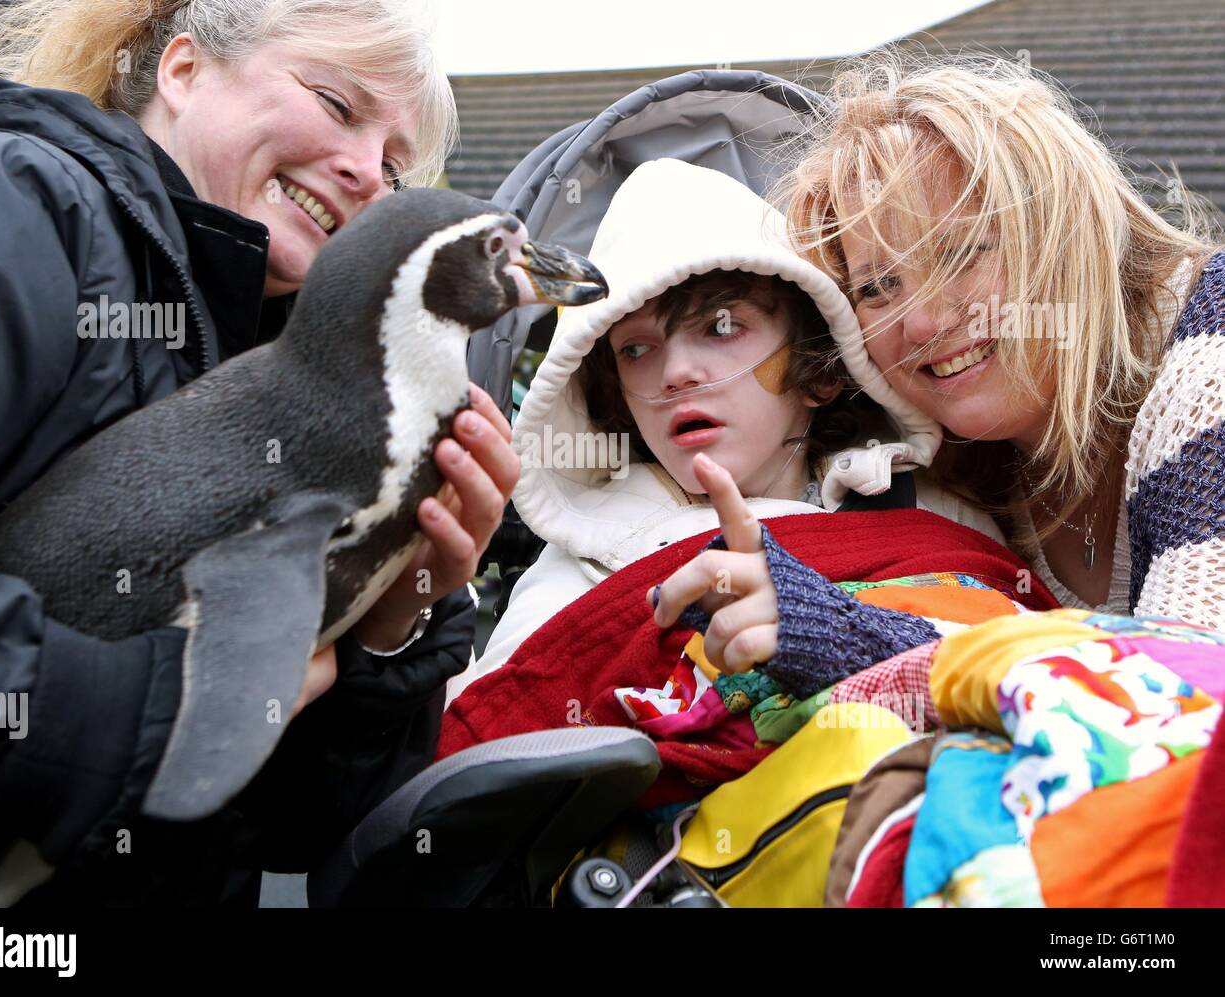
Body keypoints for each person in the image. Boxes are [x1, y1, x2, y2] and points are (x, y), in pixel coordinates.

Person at [0, 0, 518, 906]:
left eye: (396, 167)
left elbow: (299, 830)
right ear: (183, 69)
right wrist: (142, 707)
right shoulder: (1, 207)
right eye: (337, 104)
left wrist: (389, 606)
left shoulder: (286, 362)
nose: (366, 171)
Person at [448, 158, 1001, 701]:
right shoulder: (574, 575)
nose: (674, 374)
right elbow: (482, 753)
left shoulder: (937, 514)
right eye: (636, 350)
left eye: (722, 326)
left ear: (820, 369)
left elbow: (1044, 677)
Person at [777, 52, 1225, 630]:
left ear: (1067, 231)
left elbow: (1182, 681)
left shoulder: (1209, 363)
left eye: (960, 255)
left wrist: (821, 632)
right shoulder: (957, 472)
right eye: (878, 287)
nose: (922, 325)